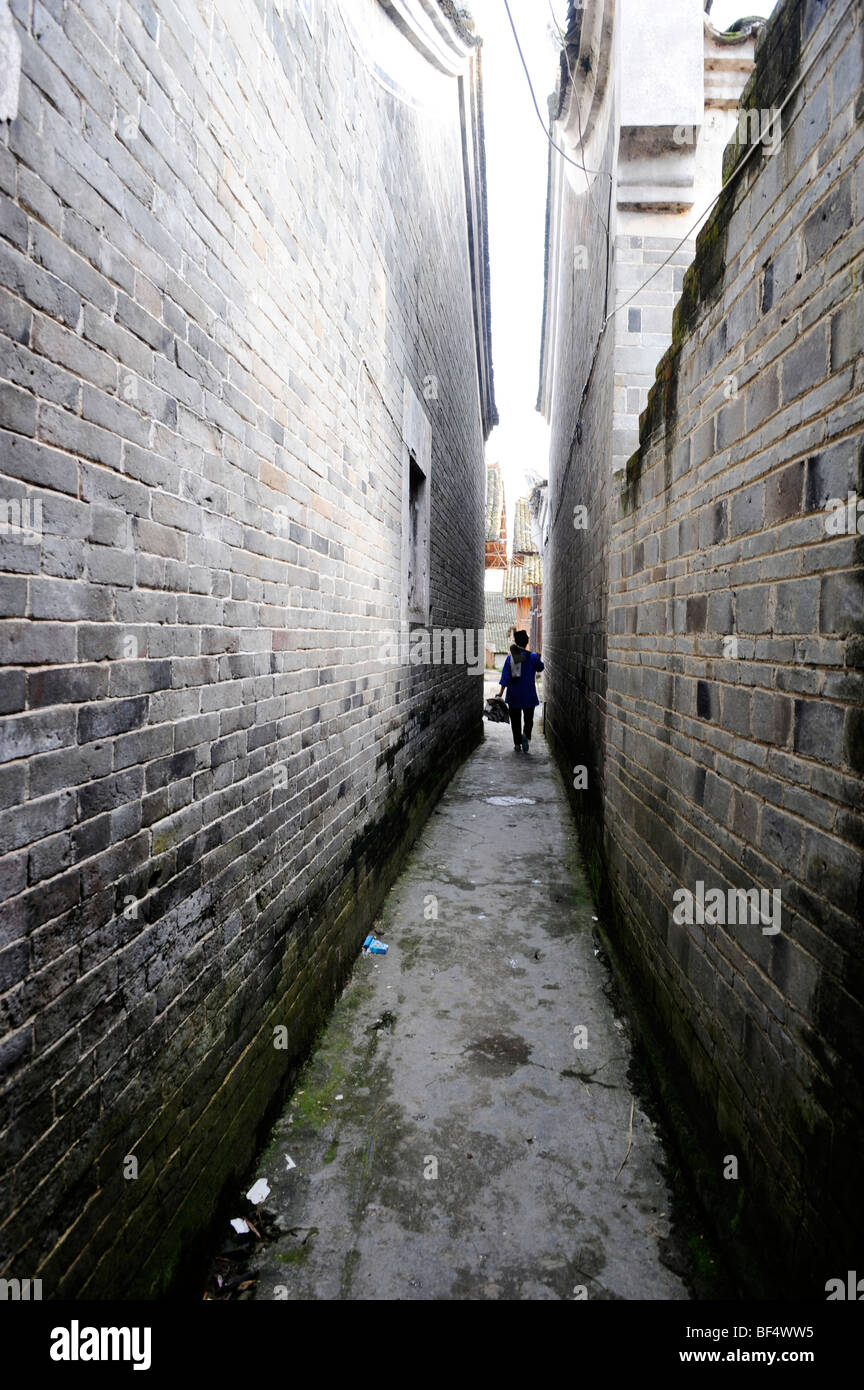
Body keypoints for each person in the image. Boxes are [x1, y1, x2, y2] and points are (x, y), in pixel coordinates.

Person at [497, 630, 544, 753]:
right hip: (528, 695)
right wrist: (538, 657)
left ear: (516, 642)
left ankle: (517, 744)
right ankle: (526, 736)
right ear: (527, 642)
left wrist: (501, 693)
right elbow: (541, 667)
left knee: (516, 721)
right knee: (529, 720)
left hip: (514, 695)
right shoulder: (532, 657)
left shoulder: (511, 657)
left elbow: (505, 677)